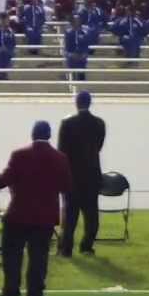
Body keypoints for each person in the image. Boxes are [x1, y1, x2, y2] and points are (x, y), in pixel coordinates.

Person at [0, 120, 73, 296]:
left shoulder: (19, 155)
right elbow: (66, 186)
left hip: (19, 213)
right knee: (39, 257)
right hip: (45, 216)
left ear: (33, 135)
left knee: (11, 255)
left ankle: (10, 290)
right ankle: (35, 293)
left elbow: (6, 178)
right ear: (49, 136)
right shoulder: (60, 158)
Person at [57, 91, 106, 257]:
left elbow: (61, 151)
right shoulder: (99, 123)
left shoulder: (67, 123)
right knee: (91, 214)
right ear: (90, 103)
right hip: (92, 174)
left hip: (72, 175)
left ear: (76, 103)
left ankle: (66, 248)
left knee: (70, 215)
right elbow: (98, 147)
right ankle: (86, 245)